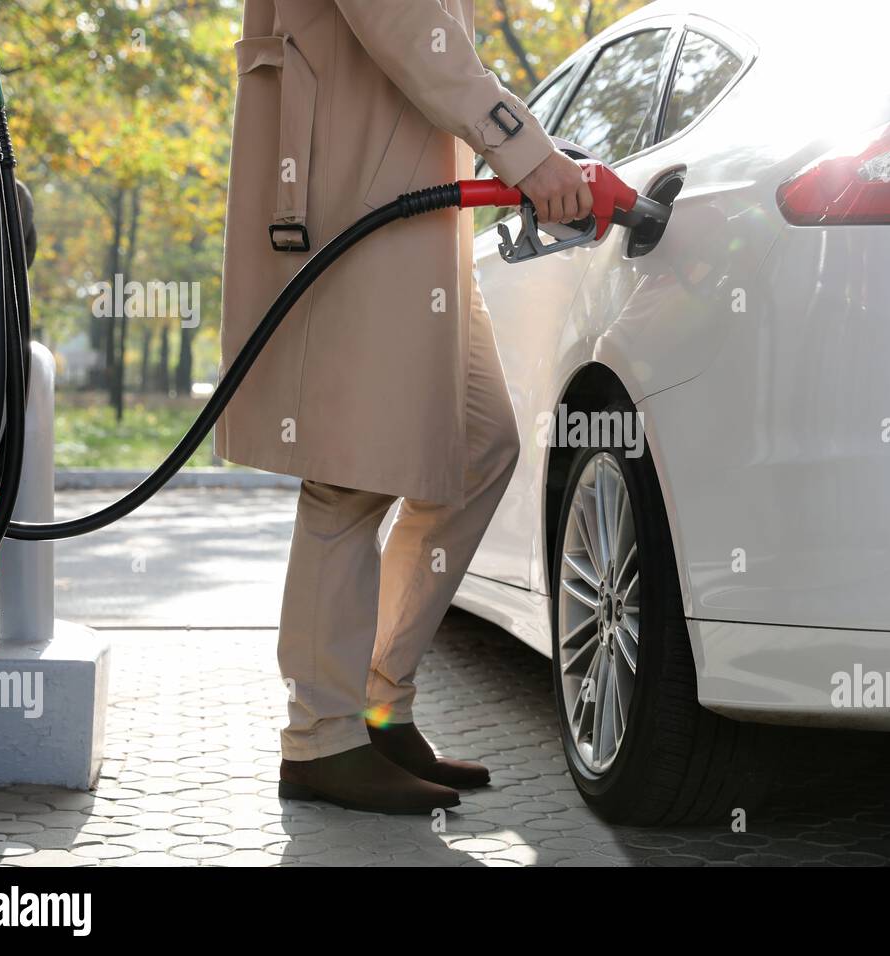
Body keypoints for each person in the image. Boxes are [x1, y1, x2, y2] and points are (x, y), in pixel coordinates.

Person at [216, 0, 593, 813]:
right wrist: (529, 152)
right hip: (355, 195)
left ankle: (377, 700)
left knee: (483, 444)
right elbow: (410, 29)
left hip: (417, 204)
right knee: (347, 477)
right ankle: (320, 739)